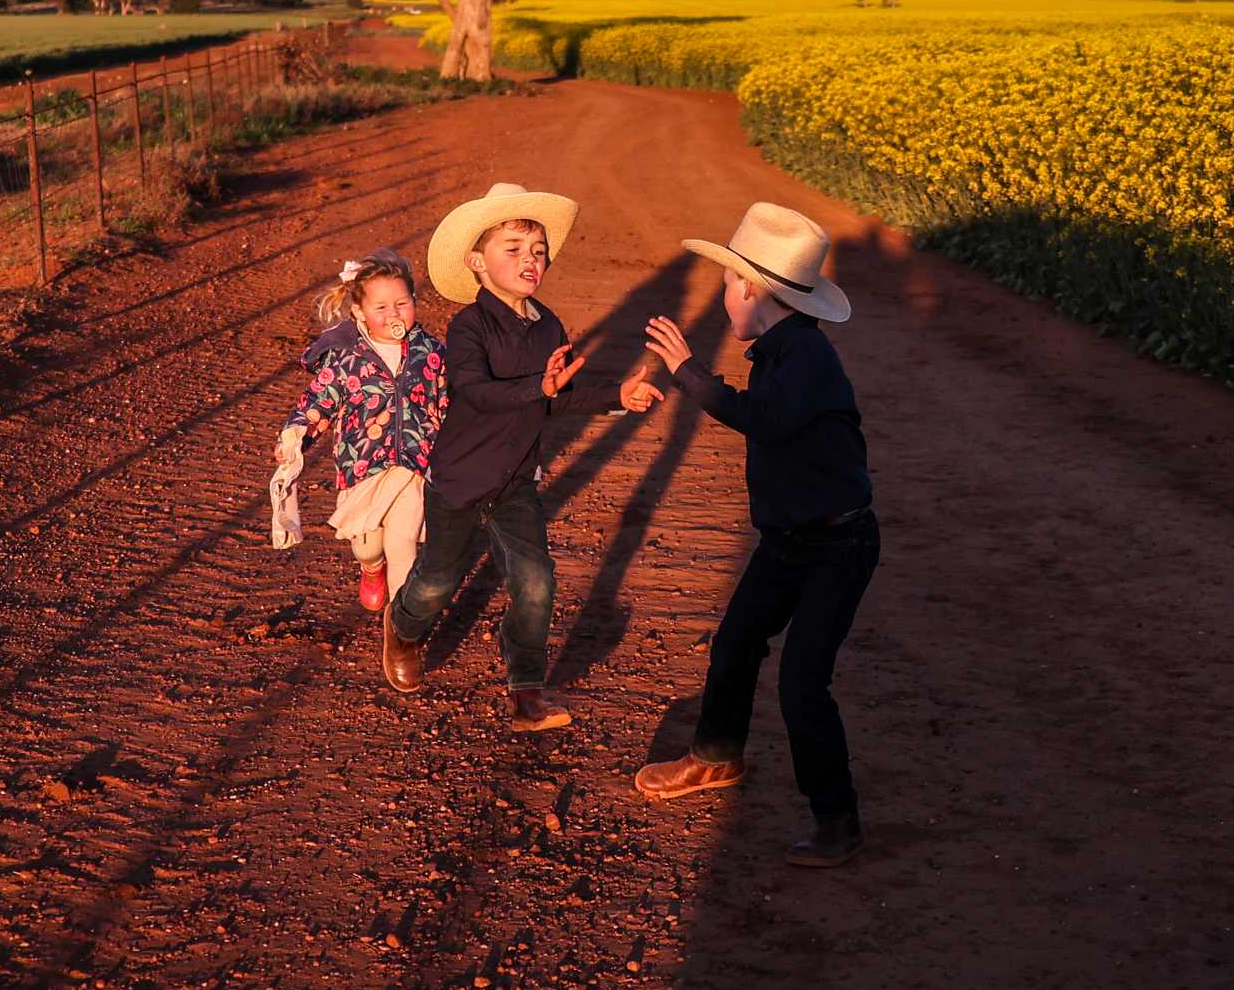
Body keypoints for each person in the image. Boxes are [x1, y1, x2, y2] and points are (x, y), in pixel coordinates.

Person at [623, 202, 877, 868]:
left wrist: (687, 370)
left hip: (838, 547)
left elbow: (763, 419)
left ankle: (837, 819)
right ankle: (716, 757)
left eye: (727, 284)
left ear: (753, 292)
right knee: (736, 643)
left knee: (801, 684)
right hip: (790, 539)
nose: (723, 297)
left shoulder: (808, 356)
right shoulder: (781, 350)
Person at [381, 182, 606, 734]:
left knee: (536, 580)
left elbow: (560, 397)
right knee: (437, 580)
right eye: (514, 249)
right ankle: (403, 628)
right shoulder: (469, 326)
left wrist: (617, 396)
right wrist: (537, 388)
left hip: (514, 482)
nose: (531, 259)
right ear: (477, 262)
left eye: (539, 251)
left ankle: (526, 689)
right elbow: (474, 390)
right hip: (459, 481)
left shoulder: (549, 326)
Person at [270, 248, 448, 618]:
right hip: (363, 465)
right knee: (367, 546)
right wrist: (296, 436)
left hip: (415, 466)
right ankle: (371, 567)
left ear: (415, 301)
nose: (393, 314)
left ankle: (401, 624)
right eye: (381, 307)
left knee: (403, 543)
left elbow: (449, 401)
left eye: (402, 303)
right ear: (359, 312)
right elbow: (319, 400)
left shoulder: (432, 353)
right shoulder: (348, 357)